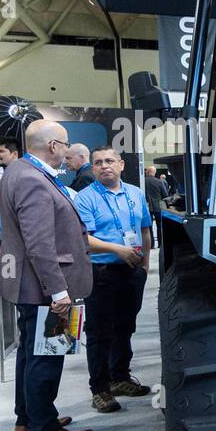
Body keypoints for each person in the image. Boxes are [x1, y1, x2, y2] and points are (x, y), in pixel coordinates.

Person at [0, 119, 94, 431]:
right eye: (64, 145)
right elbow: (39, 243)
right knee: (47, 354)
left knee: (30, 352)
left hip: (30, 284)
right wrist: (59, 291)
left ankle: (29, 417)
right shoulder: (33, 179)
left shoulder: (18, 172)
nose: (66, 152)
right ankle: (44, 428)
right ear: (53, 146)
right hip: (44, 287)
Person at [75, 147, 154, 413]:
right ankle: (100, 389)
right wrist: (117, 250)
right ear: (92, 168)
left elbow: (144, 228)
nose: (104, 166)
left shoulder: (135, 193)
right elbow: (84, 239)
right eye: (98, 163)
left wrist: (144, 265)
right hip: (101, 273)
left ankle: (120, 378)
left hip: (131, 272)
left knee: (125, 327)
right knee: (99, 333)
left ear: (121, 165)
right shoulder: (85, 198)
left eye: (109, 161)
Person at [143, 165, 169, 246]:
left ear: (147, 172)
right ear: (154, 172)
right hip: (158, 207)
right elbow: (165, 195)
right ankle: (160, 244)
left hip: (147, 207)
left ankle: (151, 244)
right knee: (159, 226)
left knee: (148, 227)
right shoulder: (159, 182)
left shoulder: (143, 181)